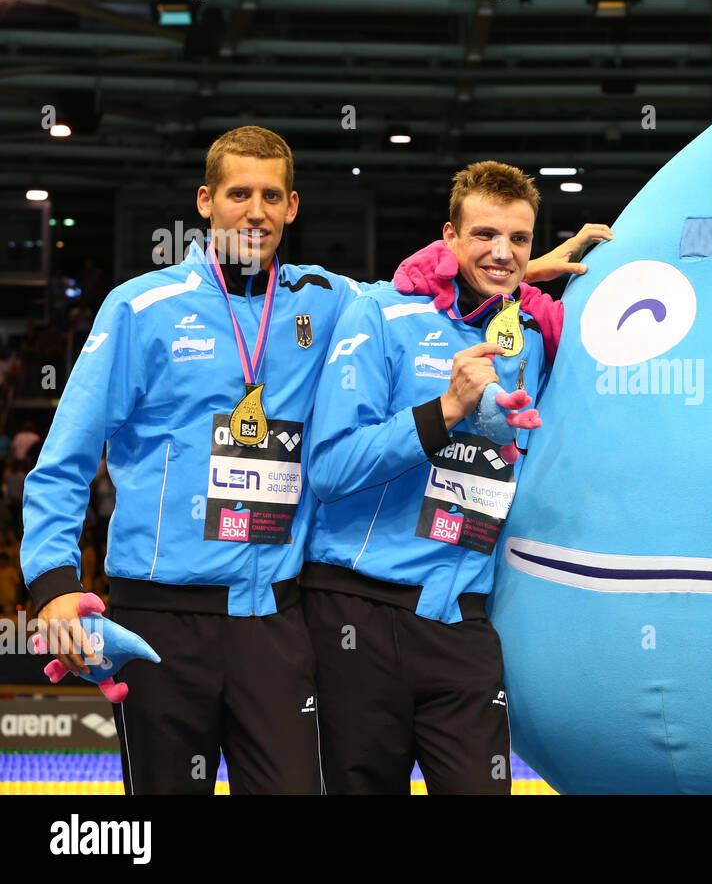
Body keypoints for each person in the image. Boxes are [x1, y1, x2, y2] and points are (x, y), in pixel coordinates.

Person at [20, 125, 368, 794]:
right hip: (161, 623)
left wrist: (516, 279)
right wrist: (55, 588)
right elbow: (64, 459)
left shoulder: (326, 303)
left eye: (273, 196)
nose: (256, 211)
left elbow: (419, 298)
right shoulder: (142, 308)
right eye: (239, 193)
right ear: (206, 201)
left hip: (275, 622)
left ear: (293, 207)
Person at [302, 161, 612, 794]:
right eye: (484, 235)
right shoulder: (381, 316)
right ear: (448, 236)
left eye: (519, 240)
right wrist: (444, 410)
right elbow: (329, 468)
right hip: (358, 613)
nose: (502, 253)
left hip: (465, 620)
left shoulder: (531, 335)